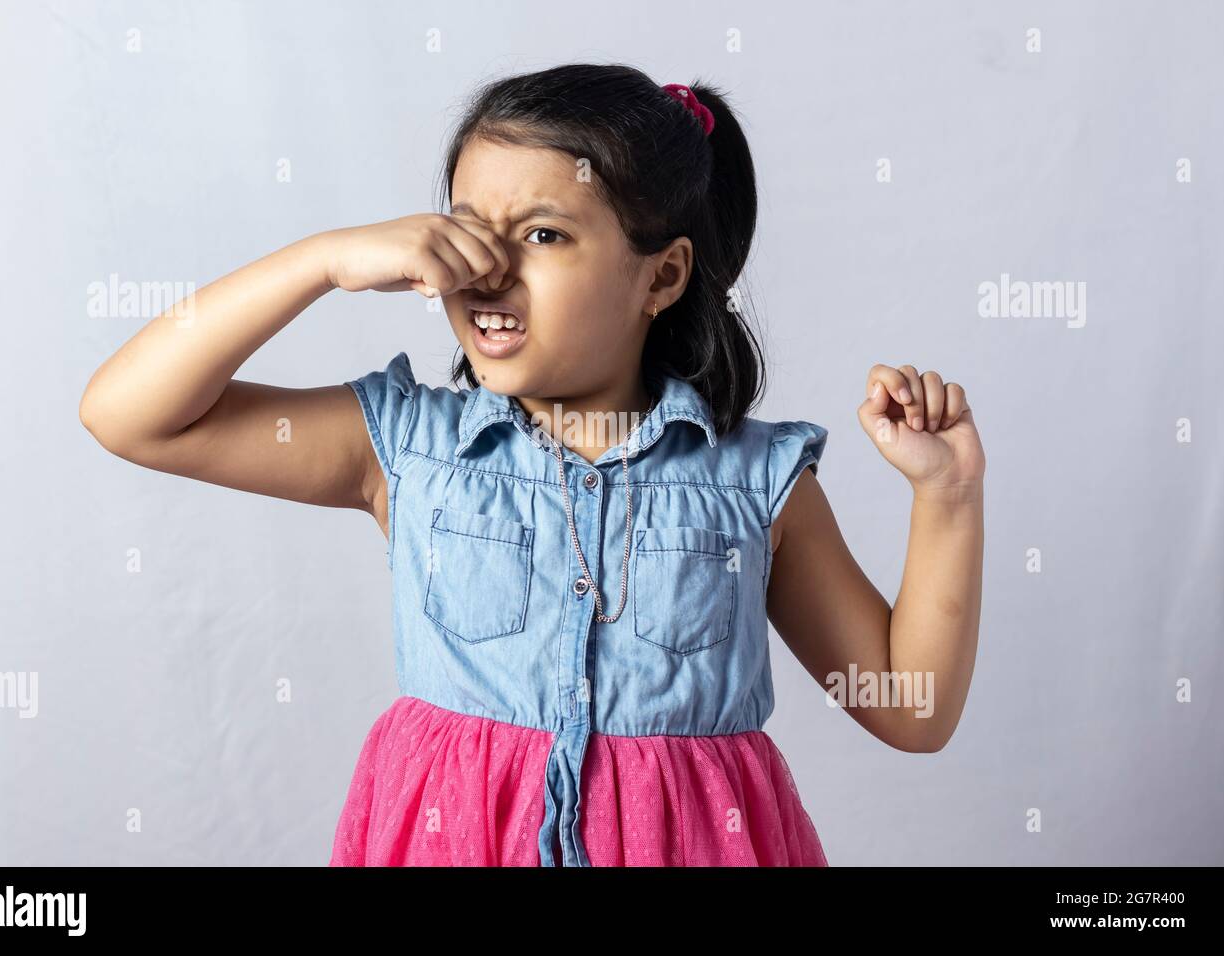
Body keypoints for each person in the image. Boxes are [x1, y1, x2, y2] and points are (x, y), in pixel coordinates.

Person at [79, 63, 985, 866]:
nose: (485, 269)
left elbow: (910, 709)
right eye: (468, 230)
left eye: (545, 236)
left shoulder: (756, 483)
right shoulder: (406, 448)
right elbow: (132, 417)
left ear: (662, 278)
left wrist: (946, 495)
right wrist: (322, 263)